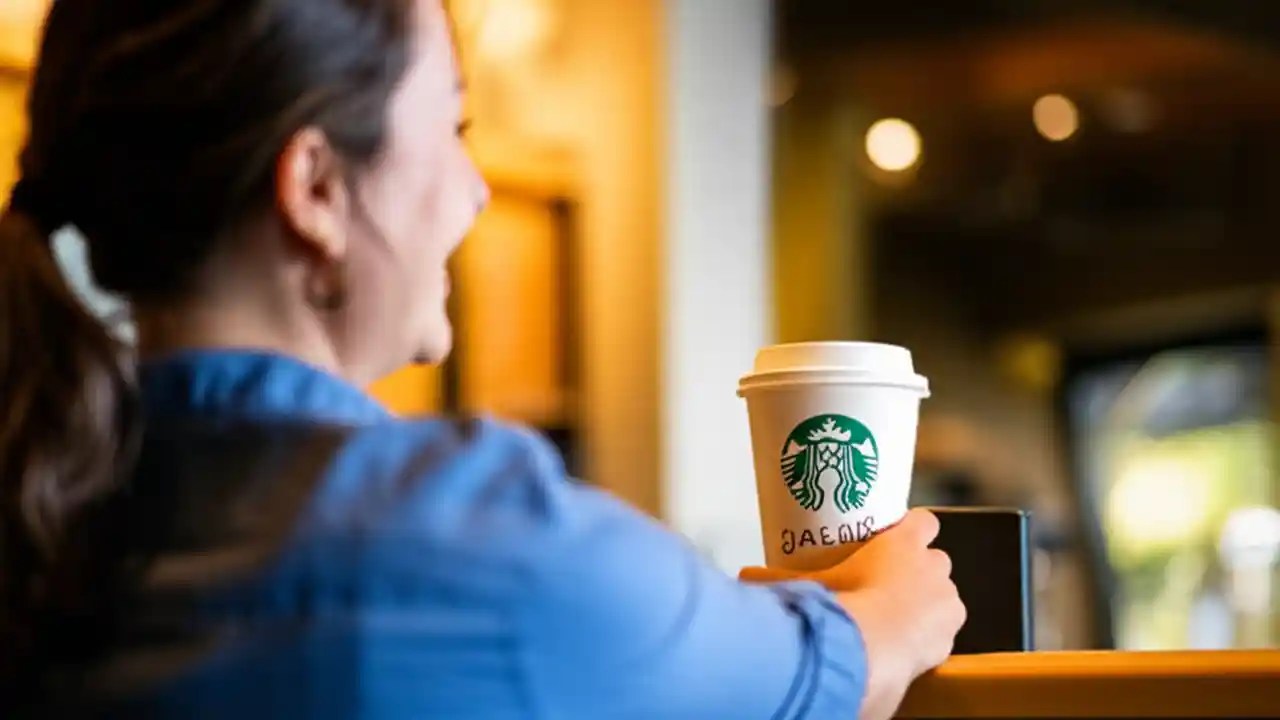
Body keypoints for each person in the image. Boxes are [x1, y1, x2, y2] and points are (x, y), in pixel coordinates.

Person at [0, 1, 965, 717]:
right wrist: (901, 597)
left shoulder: (45, 522)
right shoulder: (478, 544)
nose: (472, 192)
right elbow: (838, 667)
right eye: (455, 130)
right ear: (318, 190)